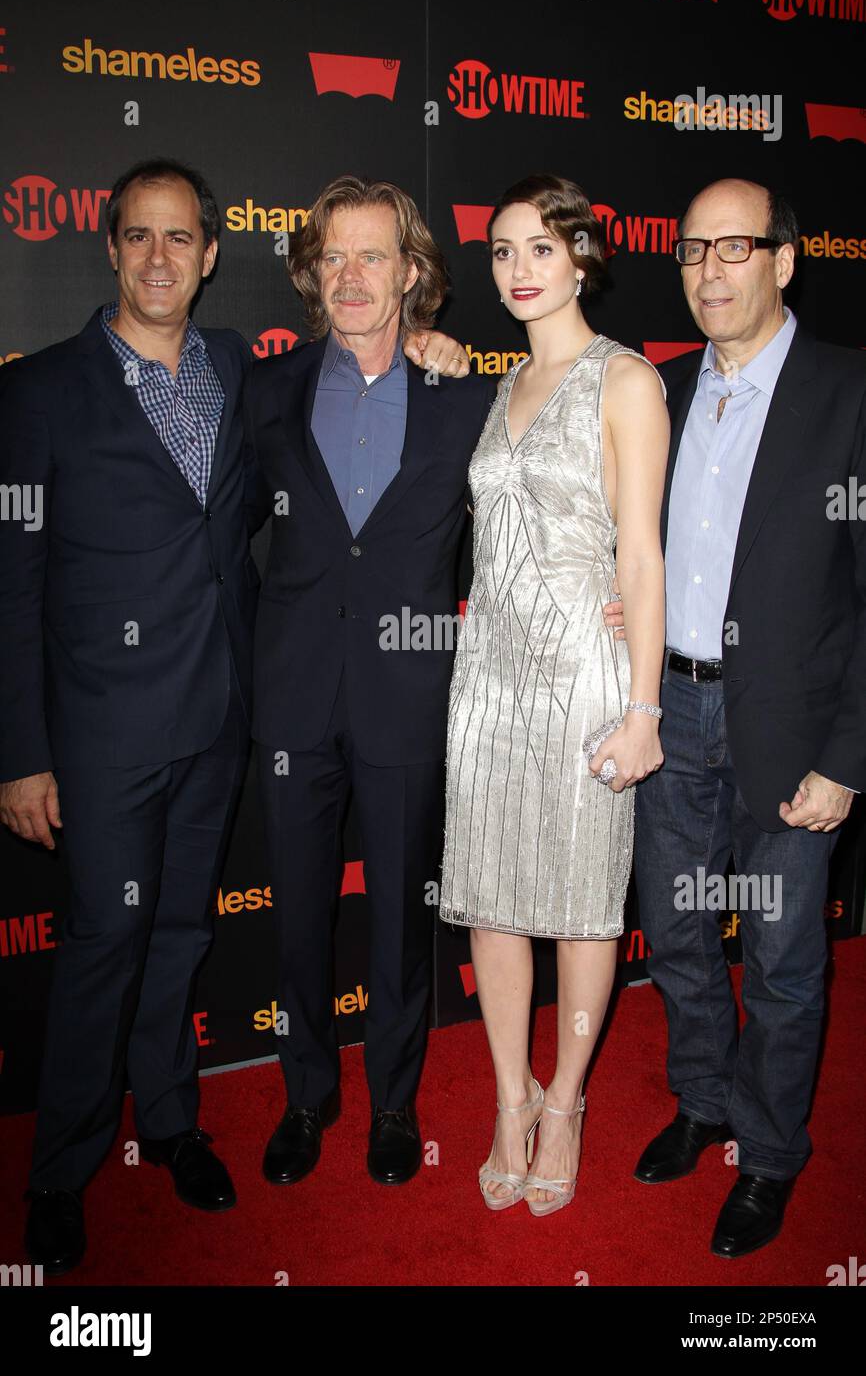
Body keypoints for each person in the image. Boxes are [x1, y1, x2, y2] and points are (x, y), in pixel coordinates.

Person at [0, 158, 466, 1275]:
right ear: (111, 248)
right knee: (115, 937)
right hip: (127, 727)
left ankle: (191, 1125)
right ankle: (73, 1166)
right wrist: (21, 752)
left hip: (236, 716)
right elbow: (12, 581)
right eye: (138, 237)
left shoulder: (250, 374)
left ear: (211, 256)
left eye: (181, 239)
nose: (160, 258)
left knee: (191, 933)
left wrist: (436, 350)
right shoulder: (64, 391)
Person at [605, 178, 866, 1257]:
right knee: (671, 931)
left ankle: (765, 1156)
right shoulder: (656, 390)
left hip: (789, 734)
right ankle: (702, 1098)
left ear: (784, 259)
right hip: (666, 708)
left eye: (733, 248)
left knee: (781, 960)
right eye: (690, 252)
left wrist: (847, 756)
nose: (708, 271)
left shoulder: (847, 392)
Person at [243, 175, 493, 1188]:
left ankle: (393, 1099)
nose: (350, 276)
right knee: (298, 910)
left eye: (372, 256)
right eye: (332, 257)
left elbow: (521, 542)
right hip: (292, 695)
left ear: (410, 274)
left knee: (399, 913)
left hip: (406, 701)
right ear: (311, 273)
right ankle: (307, 1093)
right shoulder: (268, 390)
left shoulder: (463, 398)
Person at [438, 174, 669, 1215]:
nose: (518, 269)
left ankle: (565, 1102)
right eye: (500, 251)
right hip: (488, 676)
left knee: (580, 908)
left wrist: (643, 707)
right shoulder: (496, 390)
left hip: (586, 672)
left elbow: (642, 555)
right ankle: (506, 1096)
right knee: (488, 897)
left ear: (582, 257)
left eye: (539, 247)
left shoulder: (626, 382)